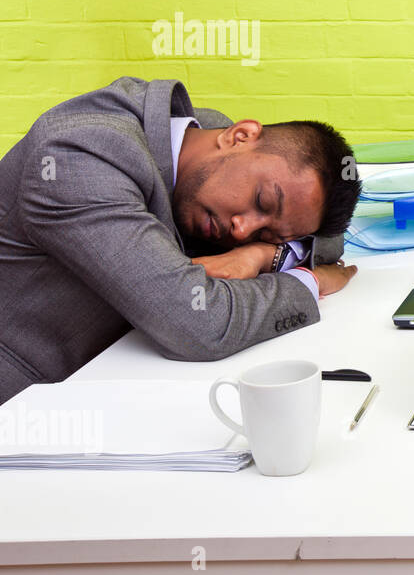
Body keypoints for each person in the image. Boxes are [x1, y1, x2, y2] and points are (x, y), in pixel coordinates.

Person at [0, 77, 362, 404]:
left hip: (117, 378)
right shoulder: (77, 160)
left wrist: (262, 254)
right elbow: (197, 324)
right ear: (239, 136)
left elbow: (329, 239)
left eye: (265, 231)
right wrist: (307, 282)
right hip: (27, 406)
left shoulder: (206, 141)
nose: (241, 230)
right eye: (262, 201)